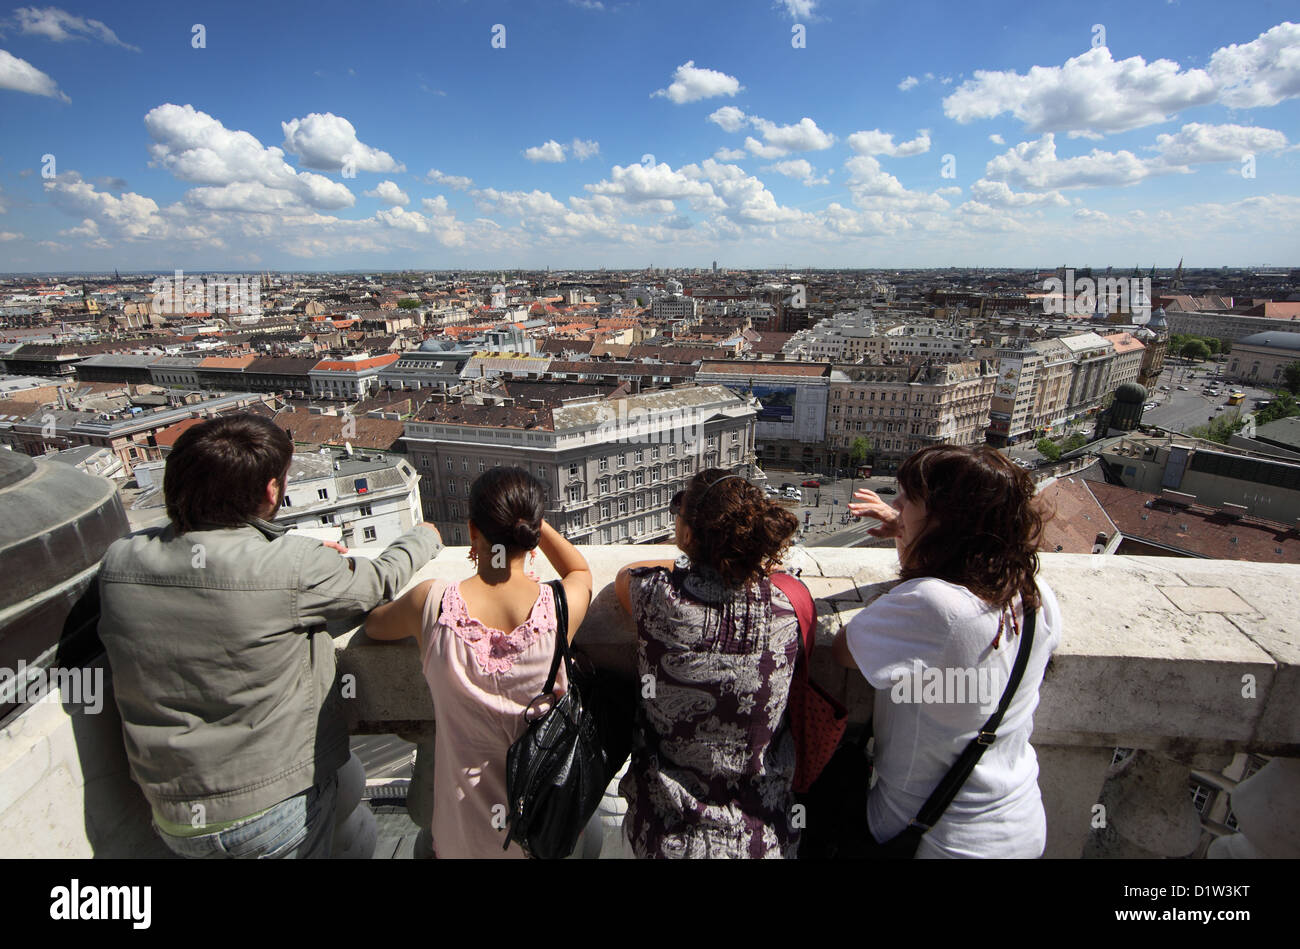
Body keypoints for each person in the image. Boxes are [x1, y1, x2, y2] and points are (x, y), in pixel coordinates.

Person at [97, 413, 444, 858]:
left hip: (172, 817)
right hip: (271, 812)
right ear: (270, 492)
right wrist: (423, 537)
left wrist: (294, 563)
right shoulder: (290, 568)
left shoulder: (121, 563)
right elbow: (377, 583)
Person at [831, 445, 1062, 859]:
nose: (895, 506)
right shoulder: (1033, 591)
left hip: (939, 838)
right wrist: (910, 531)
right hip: (1020, 820)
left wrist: (912, 549)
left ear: (945, 522)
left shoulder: (933, 606)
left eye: (907, 500)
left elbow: (846, 651)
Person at [365, 465, 592, 858]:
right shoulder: (559, 608)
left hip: (461, 838)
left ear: (473, 531)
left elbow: (374, 624)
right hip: (540, 831)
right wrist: (536, 525)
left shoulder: (431, 603)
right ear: (533, 534)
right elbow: (579, 570)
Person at [614, 468, 802, 859]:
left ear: (689, 534)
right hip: (764, 836)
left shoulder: (657, 597)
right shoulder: (789, 611)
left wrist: (685, 559)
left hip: (666, 833)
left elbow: (623, 577)